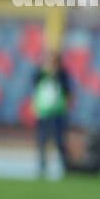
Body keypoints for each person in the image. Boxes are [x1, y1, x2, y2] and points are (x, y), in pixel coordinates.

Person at [32, 49, 73, 178]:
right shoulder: (41, 74)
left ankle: (65, 167)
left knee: (60, 141)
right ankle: (42, 167)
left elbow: (67, 92)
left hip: (57, 113)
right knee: (42, 141)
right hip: (43, 113)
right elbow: (35, 81)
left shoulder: (62, 75)